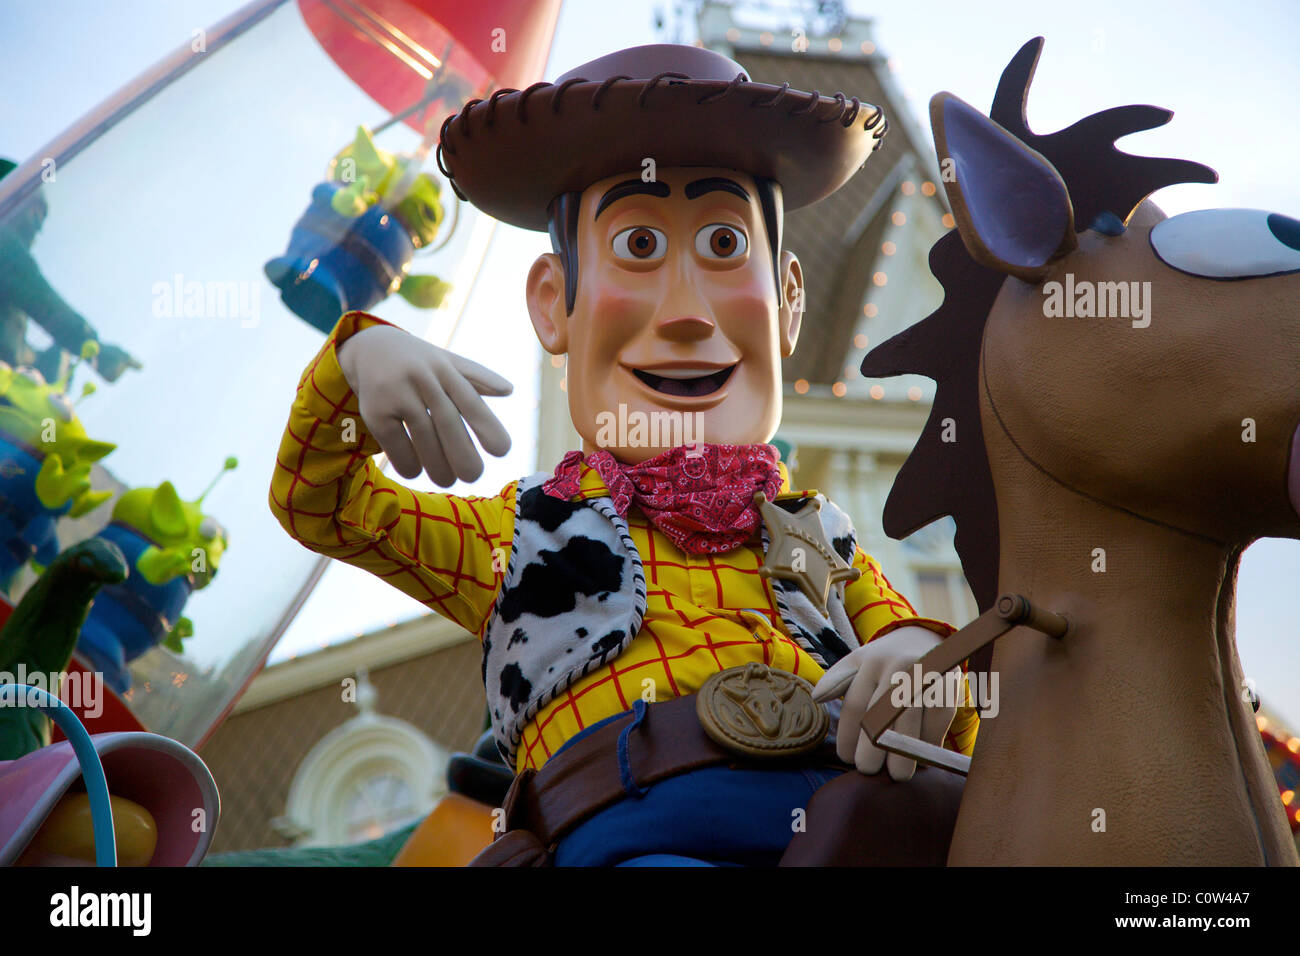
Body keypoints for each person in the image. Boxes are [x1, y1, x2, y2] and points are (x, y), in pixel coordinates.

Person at [270, 44, 977, 866]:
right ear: (552, 304)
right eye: (638, 246)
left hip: (839, 835)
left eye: (722, 245)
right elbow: (323, 505)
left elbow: (937, 688)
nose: (684, 312)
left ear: (787, 303)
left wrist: (919, 659)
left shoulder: (821, 540)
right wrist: (358, 359)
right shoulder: (524, 536)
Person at [0, 158, 140, 383]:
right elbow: (40, 299)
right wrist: (95, 351)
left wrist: (50, 361)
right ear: (12, 199)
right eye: (36, 212)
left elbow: (12, 351)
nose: (37, 229)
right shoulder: (4, 246)